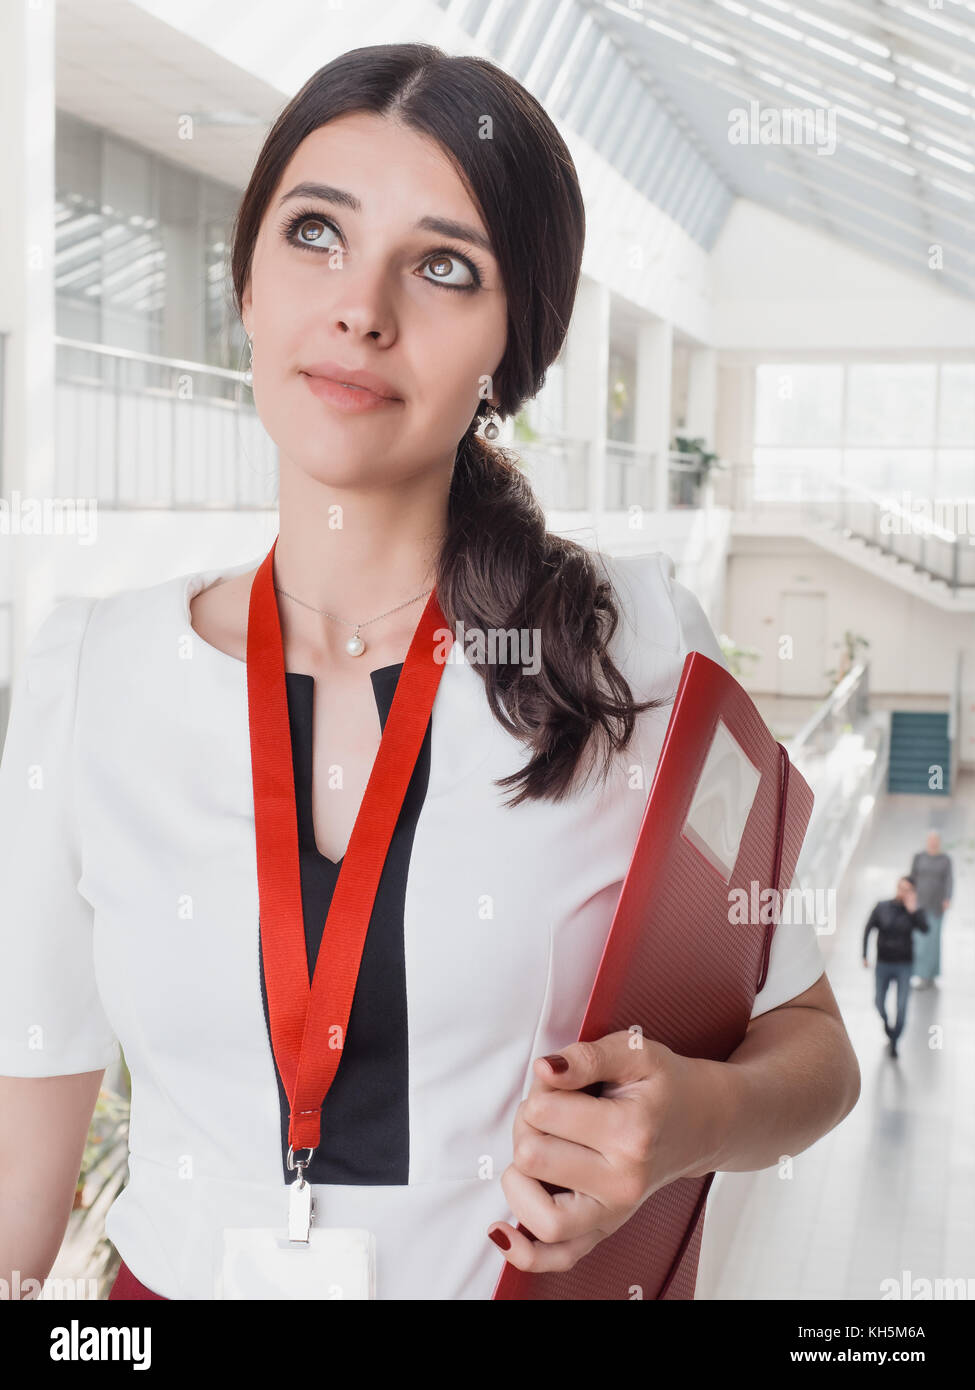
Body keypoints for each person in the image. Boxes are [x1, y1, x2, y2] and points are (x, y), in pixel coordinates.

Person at [0, 42, 860, 1303]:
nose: (361, 307)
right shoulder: (89, 670)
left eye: (444, 267)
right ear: (245, 280)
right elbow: (32, 1116)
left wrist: (696, 1119)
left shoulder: (632, 650)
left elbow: (815, 1048)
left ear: (514, 352)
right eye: (314, 234)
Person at [862, 875, 929, 1058]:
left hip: (904, 966)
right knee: (879, 1003)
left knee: (901, 1007)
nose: (902, 892)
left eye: (907, 890)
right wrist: (865, 955)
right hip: (883, 964)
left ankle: (894, 1040)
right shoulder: (882, 906)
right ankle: (887, 1026)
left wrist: (913, 911)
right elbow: (868, 929)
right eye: (901, 888)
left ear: (913, 893)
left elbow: (925, 929)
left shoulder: (914, 911)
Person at [909, 829, 952, 989]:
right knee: (920, 941)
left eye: (935, 840)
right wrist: (908, 897)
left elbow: (949, 880)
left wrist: (947, 898)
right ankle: (920, 974)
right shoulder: (919, 857)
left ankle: (931, 974)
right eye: (930, 839)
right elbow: (912, 878)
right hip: (920, 905)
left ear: (938, 842)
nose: (933, 842)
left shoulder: (945, 859)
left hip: (936, 906)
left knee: (933, 942)